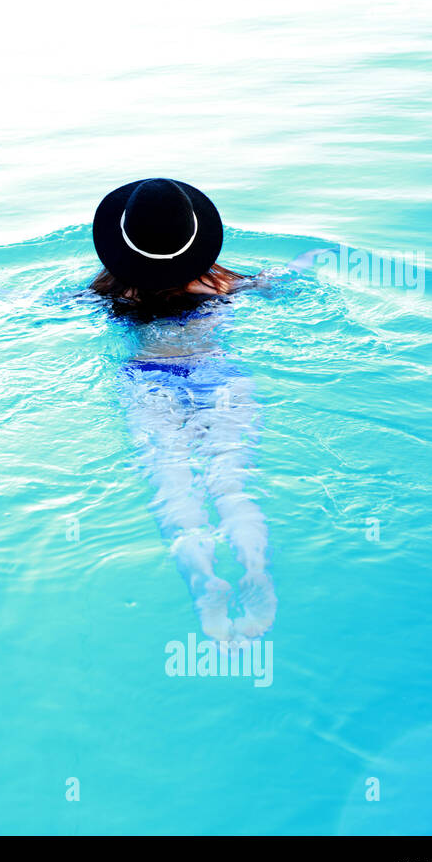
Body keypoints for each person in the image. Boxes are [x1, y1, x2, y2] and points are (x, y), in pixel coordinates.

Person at [91, 178, 275, 642]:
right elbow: (281, 286)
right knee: (232, 481)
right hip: (219, 378)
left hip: (148, 381)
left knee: (171, 480)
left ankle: (202, 579)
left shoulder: (111, 292)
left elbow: (31, 306)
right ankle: (255, 567)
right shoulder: (228, 285)